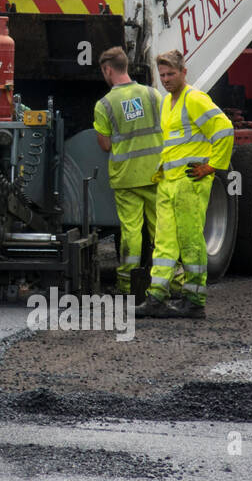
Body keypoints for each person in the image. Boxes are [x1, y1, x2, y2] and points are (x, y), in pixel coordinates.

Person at [138, 50, 234, 319]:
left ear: (183, 72)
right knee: (164, 242)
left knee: (191, 241)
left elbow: (224, 129)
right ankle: (156, 297)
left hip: (191, 182)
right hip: (170, 183)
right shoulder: (168, 103)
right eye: (163, 75)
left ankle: (194, 300)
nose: (166, 79)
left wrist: (212, 166)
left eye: (171, 74)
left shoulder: (195, 100)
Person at [93, 47, 163, 297]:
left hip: (125, 177)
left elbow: (105, 144)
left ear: (108, 69)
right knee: (161, 228)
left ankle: (126, 284)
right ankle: (165, 283)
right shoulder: (153, 95)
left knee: (131, 231)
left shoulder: (104, 105)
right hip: (156, 173)